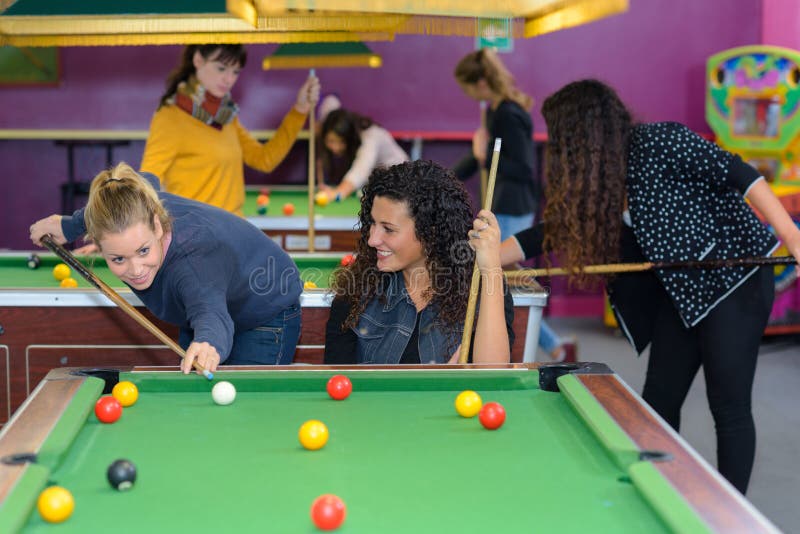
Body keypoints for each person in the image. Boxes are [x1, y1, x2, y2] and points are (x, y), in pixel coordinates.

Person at [500, 79, 800, 494]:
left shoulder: (659, 141)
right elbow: (553, 232)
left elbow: (740, 173)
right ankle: (659, 491)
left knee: (727, 405)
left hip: (735, 279)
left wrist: (794, 237)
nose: (558, 147)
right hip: (683, 292)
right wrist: (488, 255)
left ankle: (731, 515)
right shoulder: (601, 182)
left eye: (561, 135)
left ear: (583, 134)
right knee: (658, 401)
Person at [30, 163, 304, 374]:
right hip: (204, 304)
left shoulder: (193, 262)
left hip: (265, 304)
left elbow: (210, 313)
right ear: (98, 246)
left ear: (158, 226)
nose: (136, 269)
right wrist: (72, 225)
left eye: (143, 250)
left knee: (245, 411)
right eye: (118, 259)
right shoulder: (142, 199)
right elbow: (143, 179)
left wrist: (209, 342)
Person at [324, 160, 514, 364]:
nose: (372, 239)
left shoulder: (481, 286)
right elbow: (338, 379)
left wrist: (492, 268)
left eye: (388, 229)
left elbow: (492, 375)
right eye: (372, 223)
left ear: (429, 233)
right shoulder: (357, 289)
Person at [454, 48, 570, 362]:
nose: (465, 93)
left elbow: (523, 167)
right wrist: (449, 178)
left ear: (480, 83)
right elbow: (484, 157)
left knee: (507, 284)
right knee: (503, 282)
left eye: (466, 87)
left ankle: (549, 346)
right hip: (501, 204)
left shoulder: (509, 113)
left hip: (513, 207)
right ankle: (555, 346)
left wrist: (485, 150)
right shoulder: (495, 110)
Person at [141, 44, 320, 215]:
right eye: (221, 68)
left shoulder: (225, 116)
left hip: (234, 229)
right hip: (197, 234)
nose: (229, 79)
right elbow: (147, 183)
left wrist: (299, 110)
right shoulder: (170, 117)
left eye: (235, 72)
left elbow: (265, 160)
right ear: (198, 60)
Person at [316, 102, 409, 202]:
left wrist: (339, 192)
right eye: (331, 141)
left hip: (401, 181)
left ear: (349, 137)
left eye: (341, 141)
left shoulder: (371, 136)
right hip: (383, 184)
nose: (335, 147)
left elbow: (361, 169)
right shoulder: (355, 138)